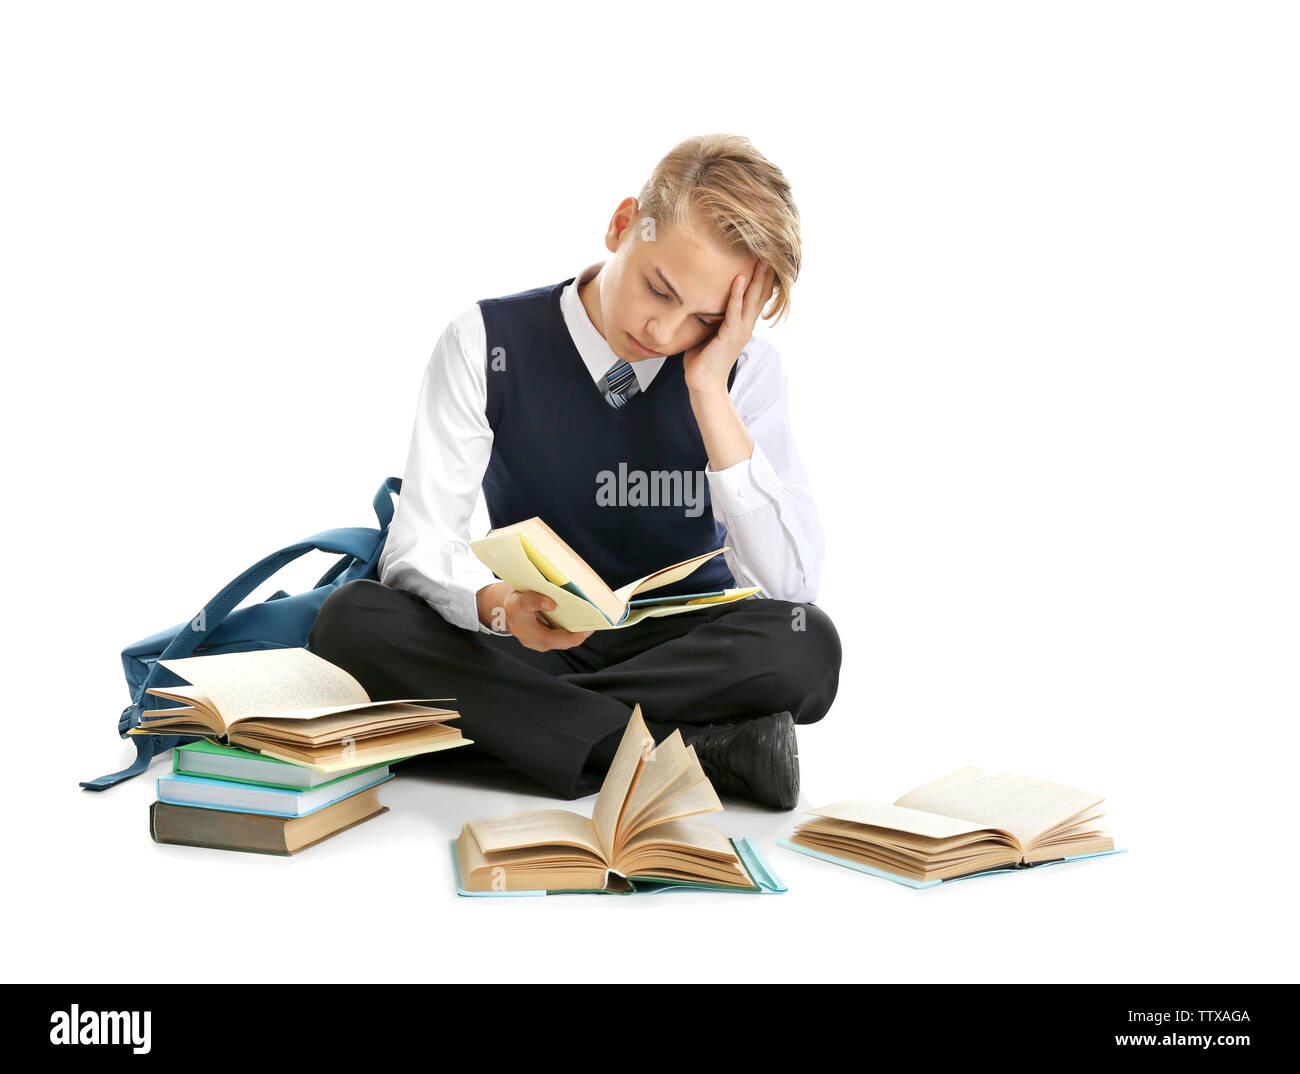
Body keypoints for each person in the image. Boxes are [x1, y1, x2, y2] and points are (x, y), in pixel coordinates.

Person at [309, 133, 841, 809]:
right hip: (535, 635)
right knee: (352, 620)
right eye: (659, 288)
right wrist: (501, 607)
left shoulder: (744, 372)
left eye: (702, 319)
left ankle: (525, 731)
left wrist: (709, 389)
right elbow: (420, 545)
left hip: (686, 649)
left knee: (807, 646)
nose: (664, 330)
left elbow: (791, 583)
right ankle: (698, 751)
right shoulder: (484, 340)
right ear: (623, 225)